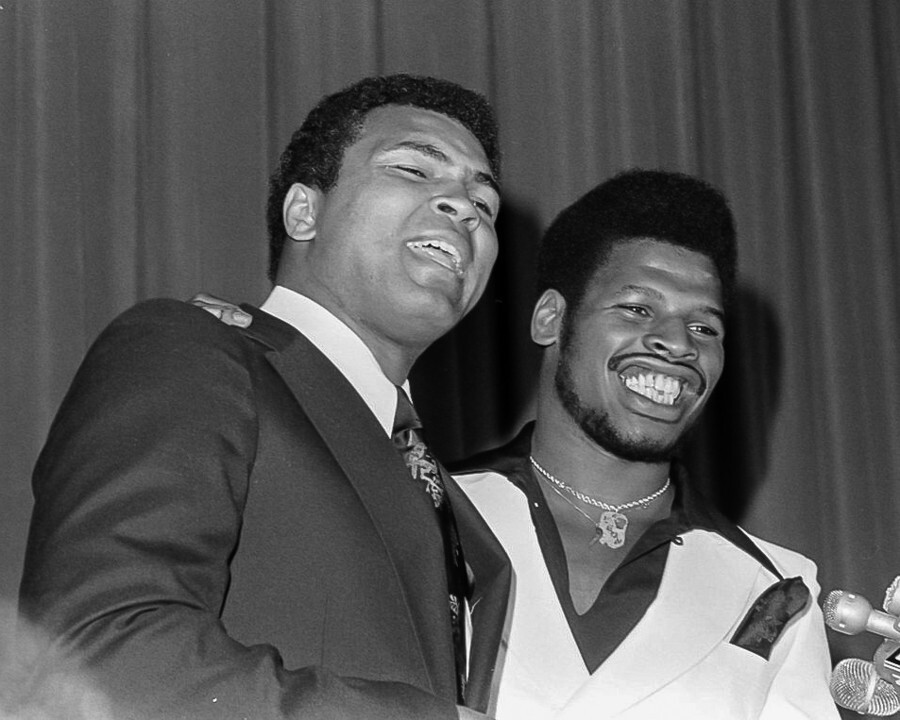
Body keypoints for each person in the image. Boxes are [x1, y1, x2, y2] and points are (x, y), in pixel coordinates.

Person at [16, 74, 511, 720]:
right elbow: (98, 651)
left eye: (485, 205)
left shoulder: (434, 480)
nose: (464, 208)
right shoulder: (194, 351)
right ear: (304, 212)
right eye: (415, 170)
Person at [450, 169, 839, 718]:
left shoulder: (776, 591)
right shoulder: (431, 513)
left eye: (704, 328)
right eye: (637, 308)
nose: (677, 344)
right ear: (551, 319)